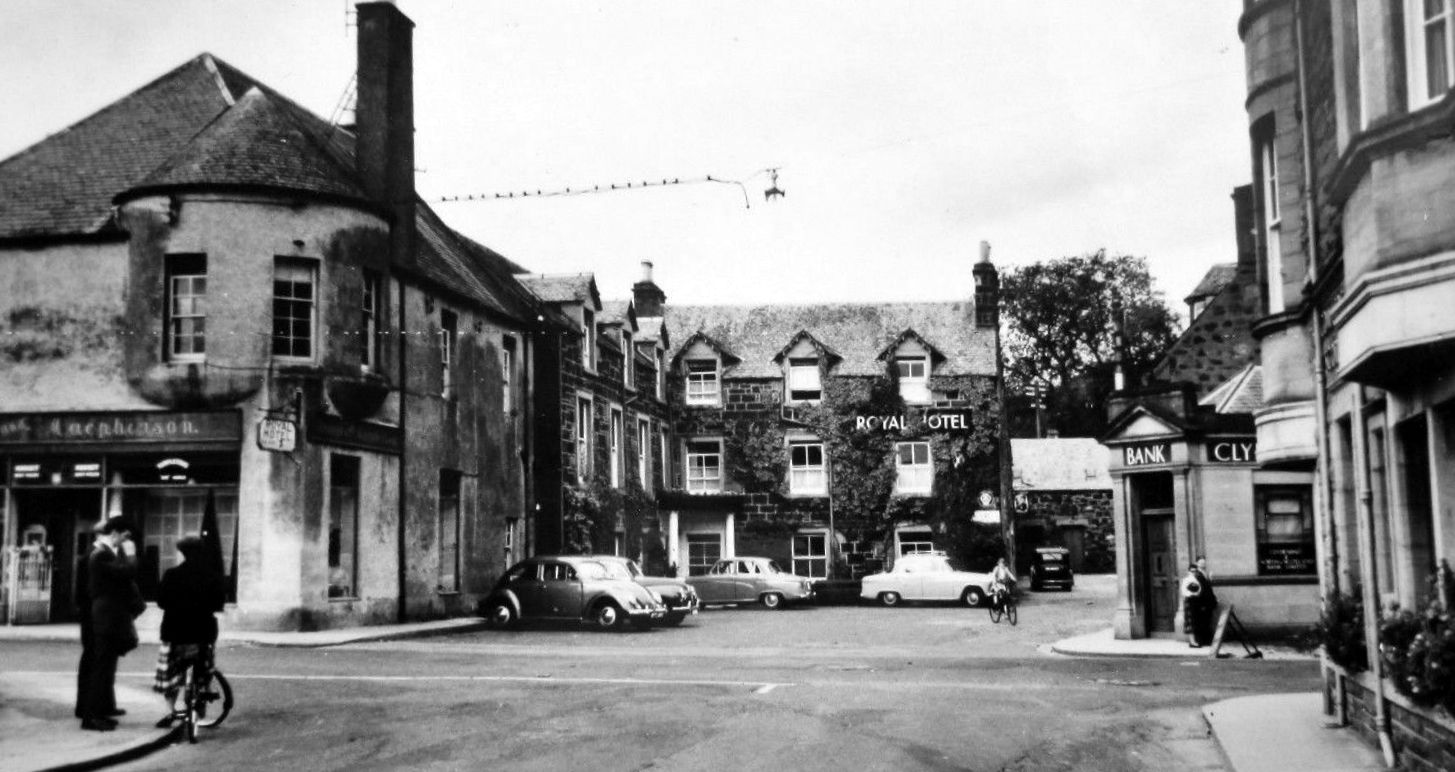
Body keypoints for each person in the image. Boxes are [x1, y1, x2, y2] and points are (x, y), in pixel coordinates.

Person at [152, 536, 226, 728]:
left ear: (182, 553)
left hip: (175, 631)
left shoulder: (171, 574)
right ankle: (202, 693)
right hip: (202, 631)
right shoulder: (213, 575)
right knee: (204, 666)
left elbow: (161, 602)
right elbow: (218, 605)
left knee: (170, 674)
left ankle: (170, 711)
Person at [81, 517, 144, 731]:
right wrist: (132, 553)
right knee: (101, 667)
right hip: (105, 617)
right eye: (125, 536)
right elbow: (126, 573)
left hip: (111, 617)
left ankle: (100, 711)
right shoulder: (100, 555)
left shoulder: (108, 553)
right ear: (115, 532)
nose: (126, 541)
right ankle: (91, 717)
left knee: (106, 666)